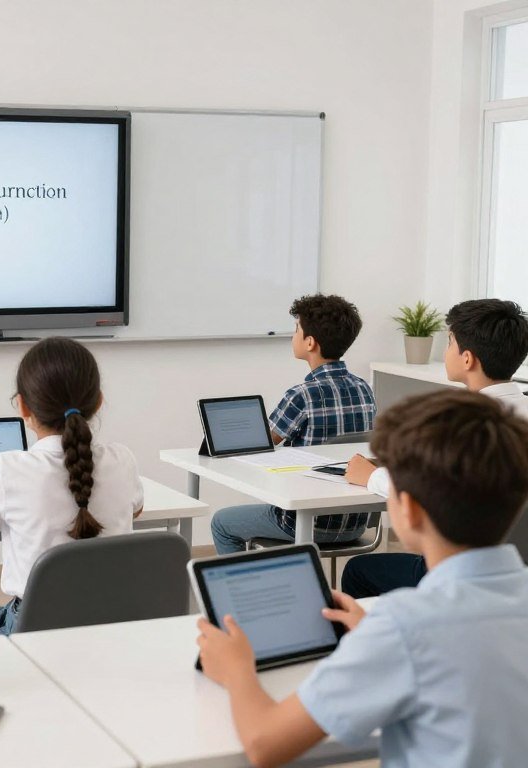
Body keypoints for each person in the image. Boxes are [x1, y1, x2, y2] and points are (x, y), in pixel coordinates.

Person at [197, 389, 528, 768]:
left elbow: (264, 744)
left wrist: (237, 669)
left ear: (409, 509)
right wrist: (376, 633)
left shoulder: (405, 626)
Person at [0, 337, 144, 638]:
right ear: (98, 401)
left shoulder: (10, 469)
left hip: (34, 627)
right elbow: (136, 509)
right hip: (112, 622)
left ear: (23, 406)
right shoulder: (123, 459)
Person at [340, 298, 528, 597]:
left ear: (467, 359)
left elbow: (432, 494)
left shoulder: (467, 423)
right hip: (516, 571)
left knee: (358, 570)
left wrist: (370, 476)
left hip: (463, 573)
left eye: (450, 342)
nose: (446, 350)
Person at [210, 294, 376, 554]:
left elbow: (261, 441)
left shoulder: (302, 394)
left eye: (296, 329)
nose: (292, 335)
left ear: (310, 342)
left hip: (304, 522)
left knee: (222, 522)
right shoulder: (363, 388)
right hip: (356, 523)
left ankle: (245, 593)